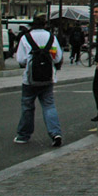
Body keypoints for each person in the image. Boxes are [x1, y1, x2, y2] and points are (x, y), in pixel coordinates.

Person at [14, 15, 64, 147]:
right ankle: (55, 133)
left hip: (30, 78)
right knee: (49, 105)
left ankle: (23, 135)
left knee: (27, 107)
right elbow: (57, 58)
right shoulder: (51, 37)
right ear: (45, 24)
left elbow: (21, 59)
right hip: (48, 77)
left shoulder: (25, 38)